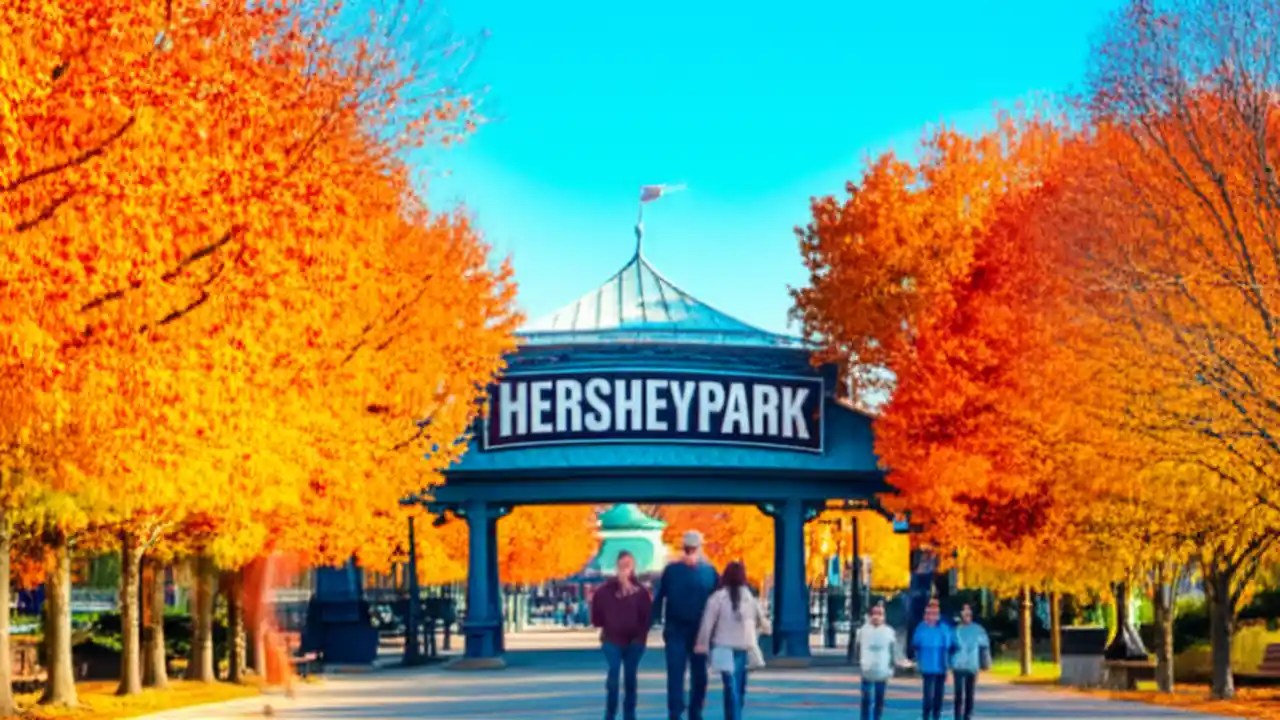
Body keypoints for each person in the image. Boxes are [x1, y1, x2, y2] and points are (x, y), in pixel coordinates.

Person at [652, 530, 719, 720]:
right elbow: (719, 600)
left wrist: (651, 621)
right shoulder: (709, 572)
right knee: (698, 675)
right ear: (700, 548)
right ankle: (694, 712)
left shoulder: (672, 571)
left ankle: (676, 712)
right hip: (698, 630)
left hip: (677, 629)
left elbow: (659, 598)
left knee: (676, 675)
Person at [694, 561, 769, 720]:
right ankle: (736, 715)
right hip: (744, 646)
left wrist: (702, 644)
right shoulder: (749, 598)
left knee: (730, 686)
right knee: (739, 687)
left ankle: (732, 716)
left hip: (723, 646)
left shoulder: (717, 598)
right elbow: (763, 623)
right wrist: (759, 631)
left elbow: (707, 623)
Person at [591, 550, 652, 720]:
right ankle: (610, 713)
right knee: (614, 674)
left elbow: (647, 618)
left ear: (633, 568)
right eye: (622, 565)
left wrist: (640, 638)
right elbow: (597, 618)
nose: (625, 569)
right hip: (612, 640)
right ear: (617, 566)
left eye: (628, 565)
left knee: (630, 678)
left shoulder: (641, 593)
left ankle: (629, 714)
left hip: (635, 642)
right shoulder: (604, 592)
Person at [855, 603, 901, 720]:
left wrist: (892, 667)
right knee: (866, 699)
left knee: (879, 699)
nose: (876, 617)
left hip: (882, 670)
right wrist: (860, 663)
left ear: (884, 616)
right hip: (867, 670)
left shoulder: (889, 632)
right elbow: (858, 648)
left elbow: (893, 650)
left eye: (879, 614)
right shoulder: (862, 631)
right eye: (874, 614)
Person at [911, 599, 954, 720]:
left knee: (939, 695)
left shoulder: (943, 629)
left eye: (935, 613)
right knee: (928, 695)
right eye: (929, 613)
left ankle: (936, 716)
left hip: (941, 666)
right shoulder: (921, 628)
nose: (932, 616)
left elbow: (949, 647)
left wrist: (948, 668)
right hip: (927, 665)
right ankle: (926, 716)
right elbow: (915, 644)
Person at [950, 603, 990, 720]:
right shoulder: (955, 630)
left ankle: (968, 715)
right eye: (964, 612)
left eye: (968, 613)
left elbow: (984, 647)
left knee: (969, 693)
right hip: (958, 665)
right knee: (958, 694)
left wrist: (986, 663)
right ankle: (957, 716)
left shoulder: (978, 629)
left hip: (972, 666)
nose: (966, 615)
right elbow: (949, 647)